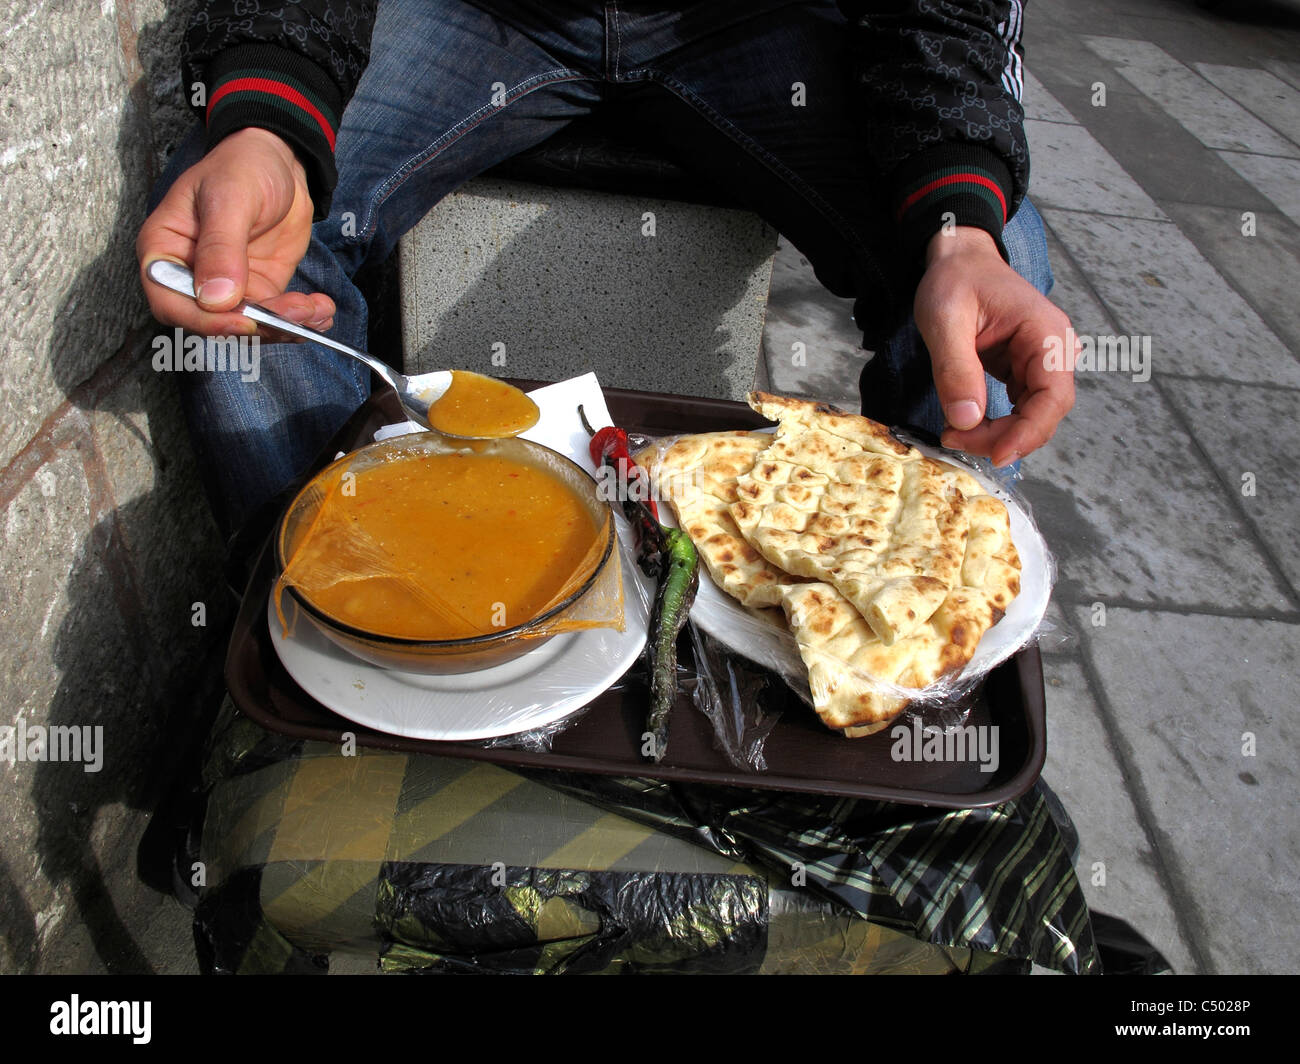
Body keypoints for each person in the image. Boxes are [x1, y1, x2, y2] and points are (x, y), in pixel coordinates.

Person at [137, 0, 1075, 538]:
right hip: (483, 12)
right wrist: (267, 112)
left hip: (764, 20)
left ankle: (914, 653)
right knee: (233, 223)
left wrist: (957, 223)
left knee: (992, 255)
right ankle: (318, 623)